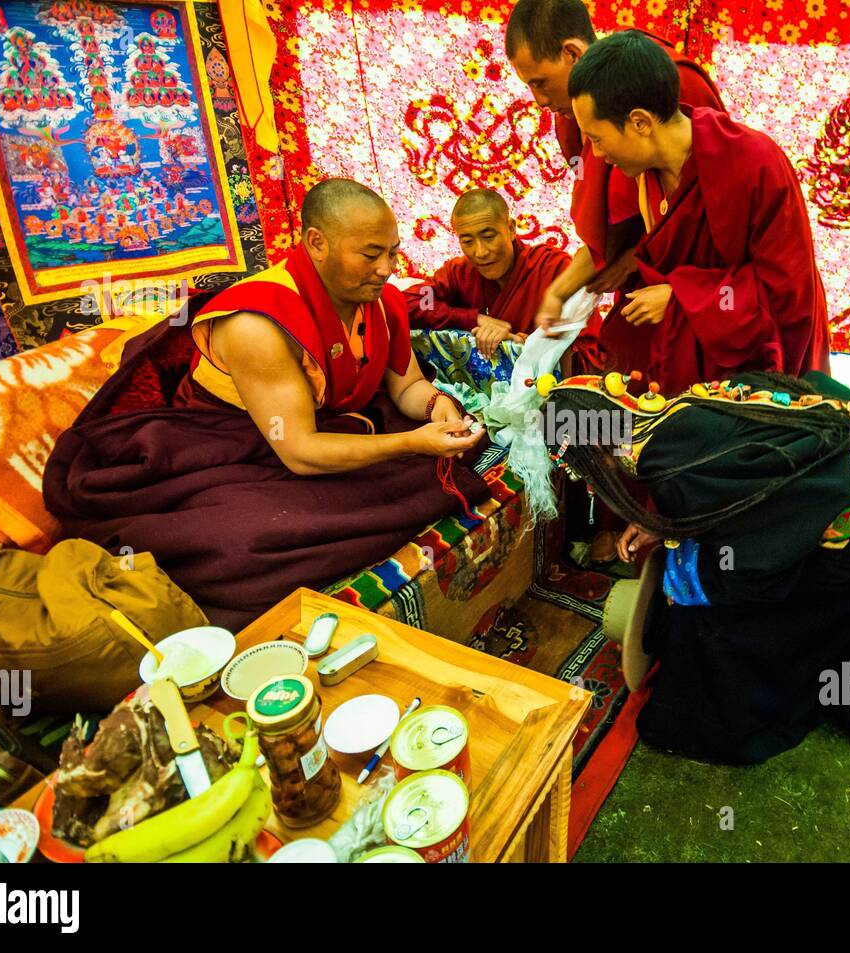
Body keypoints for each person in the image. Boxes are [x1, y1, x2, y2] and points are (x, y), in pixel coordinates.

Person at [44, 180, 489, 629]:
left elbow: (407, 384)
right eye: (371, 254)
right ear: (316, 243)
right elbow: (299, 451)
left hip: (320, 426)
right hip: (226, 444)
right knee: (248, 543)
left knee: (432, 460)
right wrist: (411, 444)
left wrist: (435, 405)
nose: (387, 268)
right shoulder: (258, 322)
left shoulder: (382, 302)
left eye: (392, 252)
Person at [537, 370, 850, 765]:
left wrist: (683, 582)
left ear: (597, 452)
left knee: (716, 620)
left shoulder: (669, 468)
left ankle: (729, 720)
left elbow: (754, 568)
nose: (590, 483)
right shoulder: (685, 406)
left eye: (583, 469)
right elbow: (745, 496)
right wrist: (665, 524)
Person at [542, 31, 830, 399]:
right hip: (696, 368)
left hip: (761, 375)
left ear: (641, 123)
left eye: (597, 139)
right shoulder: (647, 176)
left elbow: (786, 295)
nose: (595, 156)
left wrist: (682, 299)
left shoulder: (754, 164)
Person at [505, 1, 725, 378]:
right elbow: (625, 217)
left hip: (705, 294)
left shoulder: (664, 82)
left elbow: (702, 216)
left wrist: (655, 272)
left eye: (539, 83)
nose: (538, 101)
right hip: (647, 283)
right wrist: (568, 287)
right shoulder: (573, 116)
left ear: (572, 53)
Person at [404, 187, 599, 367]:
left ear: (511, 228)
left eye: (489, 237)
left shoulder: (554, 269)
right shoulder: (459, 273)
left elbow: (590, 353)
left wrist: (520, 345)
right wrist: (474, 319)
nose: (480, 252)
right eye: (467, 241)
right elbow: (409, 304)